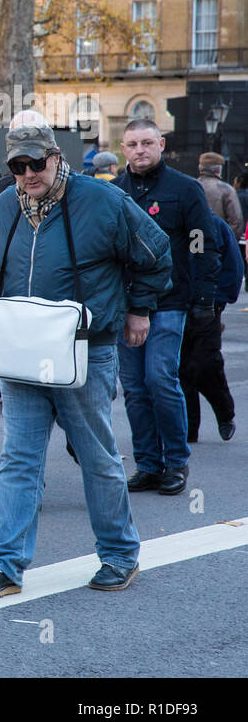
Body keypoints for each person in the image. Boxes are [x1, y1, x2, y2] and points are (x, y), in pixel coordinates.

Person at [0, 115, 171, 598]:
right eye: (18, 165)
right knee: (18, 458)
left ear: (57, 157)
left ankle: (120, 554)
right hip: (22, 350)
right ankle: (5, 565)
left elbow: (156, 254)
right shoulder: (1, 208)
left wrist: (139, 309)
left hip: (85, 348)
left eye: (37, 162)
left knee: (97, 456)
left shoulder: (102, 200)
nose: (28, 173)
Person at [113, 119, 220, 497]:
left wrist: (205, 298)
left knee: (160, 379)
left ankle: (176, 461)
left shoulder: (184, 189)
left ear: (160, 144)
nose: (139, 150)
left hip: (170, 301)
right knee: (135, 388)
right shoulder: (115, 192)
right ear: (123, 148)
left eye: (146, 142)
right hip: (126, 304)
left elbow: (201, 244)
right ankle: (147, 464)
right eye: (132, 144)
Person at [180, 215, 242, 443]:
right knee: (182, 368)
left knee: (206, 363)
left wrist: (221, 297)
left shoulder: (214, 225)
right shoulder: (175, 221)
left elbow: (232, 264)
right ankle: (189, 428)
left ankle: (225, 413)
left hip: (208, 305)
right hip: (176, 304)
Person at [196, 152, 244, 235]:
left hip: (192, 244)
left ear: (200, 168)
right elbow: (236, 222)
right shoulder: (226, 190)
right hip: (217, 243)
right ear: (219, 170)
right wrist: (226, 242)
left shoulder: (189, 187)